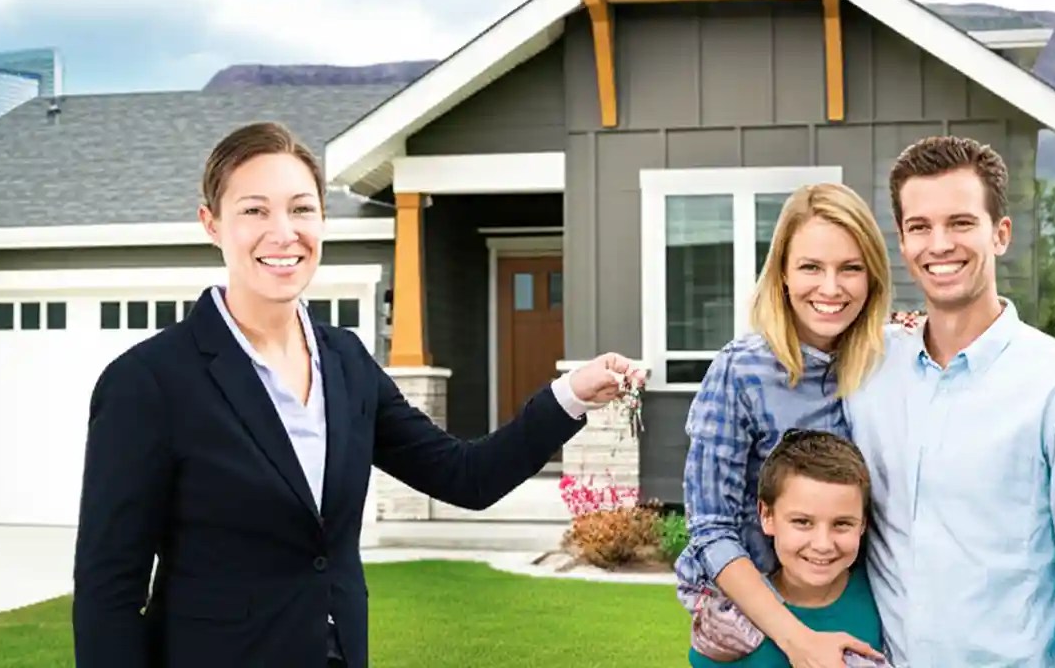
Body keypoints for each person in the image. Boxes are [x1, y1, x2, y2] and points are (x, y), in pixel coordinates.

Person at [70, 121, 644, 668]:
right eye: (254, 211)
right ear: (212, 223)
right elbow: (108, 591)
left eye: (301, 209)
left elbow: (467, 477)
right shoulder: (147, 383)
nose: (283, 232)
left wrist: (570, 393)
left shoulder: (345, 362)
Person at [846, 135, 1055, 666]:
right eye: (920, 227)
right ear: (902, 241)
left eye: (961, 223)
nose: (939, 244)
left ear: (1000, 234)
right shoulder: (869, 376)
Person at [675, 182, 893, 668]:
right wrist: (797, 640)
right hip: (756, 618)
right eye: (811, 267)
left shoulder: (887, 366)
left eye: (850, 268)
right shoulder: (743, 371)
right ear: (783, 277)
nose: (831, 288)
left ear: (873, 278)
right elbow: (711, 528)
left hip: (853, 595)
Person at [688, 429, 884, 668]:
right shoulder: (732, 629)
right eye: (802, 522)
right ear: (767, 515)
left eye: (842, 524)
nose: (822, 544)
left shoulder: (883, 600)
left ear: (863, 523)